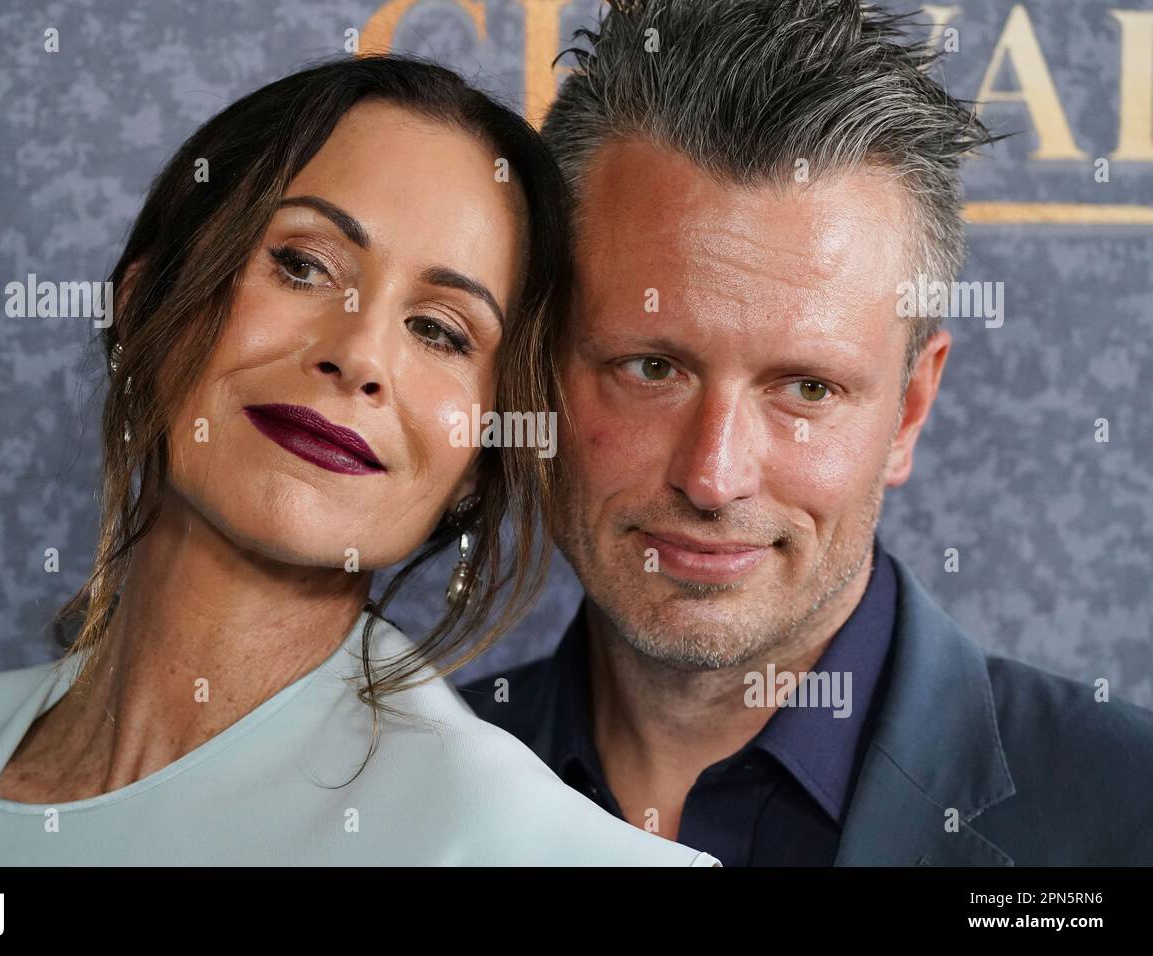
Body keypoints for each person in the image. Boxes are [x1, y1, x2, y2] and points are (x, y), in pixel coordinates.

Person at [0, 55, 718, 867]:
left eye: (441, 331)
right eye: (302, 265)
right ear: (145, 302)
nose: (362, 355)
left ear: (480, 467)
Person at [461, 0, 1153, 865]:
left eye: (808, 388)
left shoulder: (1129, 813)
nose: (713, 477)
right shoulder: (395, 795)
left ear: (908, 410)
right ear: (540, 365)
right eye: (651, 369)